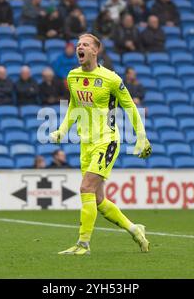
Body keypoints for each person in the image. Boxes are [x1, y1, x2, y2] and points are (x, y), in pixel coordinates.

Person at [49, 33, 152, 255]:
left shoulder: (111, 79)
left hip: (107, 141)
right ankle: (135, 230)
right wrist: (62, 130)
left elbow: (130, 107)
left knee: (85, 187)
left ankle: (83, 244)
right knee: (97, 200)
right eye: (78, 44)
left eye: (85, 44)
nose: (80, 47)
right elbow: (74, 107)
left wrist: (141, 136)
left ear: (96, 50)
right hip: (85, 144)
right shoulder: (72, 77)